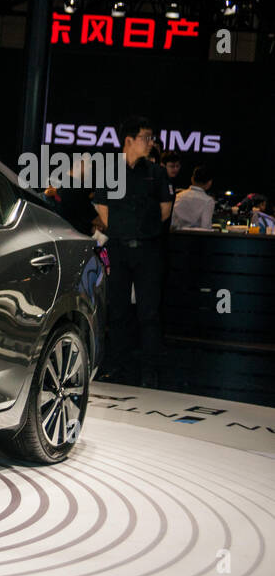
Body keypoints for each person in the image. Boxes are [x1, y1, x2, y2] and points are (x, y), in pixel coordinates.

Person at [93, 116, 174, 387]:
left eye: (151, 138)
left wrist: (141, 229)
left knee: (149, 312)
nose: (151, 143)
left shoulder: (157, 172)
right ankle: (116, 365)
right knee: (117, 311)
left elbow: (165, 210)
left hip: (149, 250)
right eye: (146, 137)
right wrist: (121, 229)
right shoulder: (108, 170)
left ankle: (150, 369)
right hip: (118, 249)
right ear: (129, 140)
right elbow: (101, 209)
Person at [171, 166, 216, 231]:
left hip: (175, 237)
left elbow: (172, 222)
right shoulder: (208, 201)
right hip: (195, 239)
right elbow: (205, 227)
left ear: (192, 179)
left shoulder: (178, 196)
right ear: (209, 183)